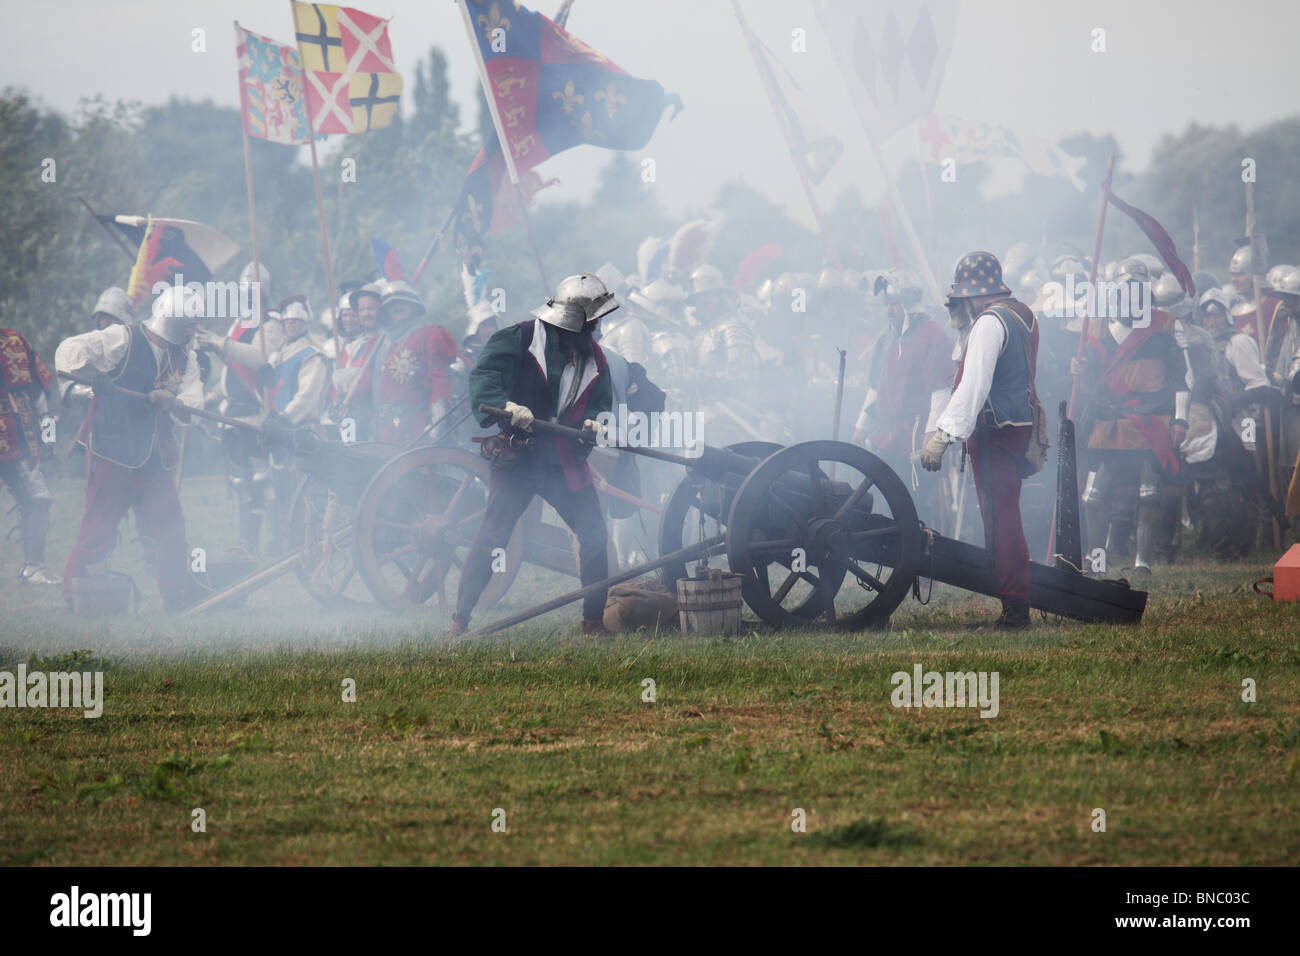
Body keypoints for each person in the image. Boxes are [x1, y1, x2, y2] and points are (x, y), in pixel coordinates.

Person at [450, 273, 617, 637]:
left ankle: (592, 621)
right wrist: (505, 406)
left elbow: (602, 404)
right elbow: (484, 378)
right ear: (578, 320)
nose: (599, 327)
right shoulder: (520, 339)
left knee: (593, 535)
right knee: (494, 535)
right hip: (519, 458)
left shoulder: (596, 358)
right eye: (594, 320)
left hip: (564, 463)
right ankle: (459, 621)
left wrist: (594, 424)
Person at [56, 286, 204, 611]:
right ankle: (74, 594)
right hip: (114, 453)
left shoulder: (186, 356)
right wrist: (91, 379)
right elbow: (70, 350)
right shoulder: (122, 338)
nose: (193, 332)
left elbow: (194, 398)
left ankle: (177, 596)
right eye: (189, 324)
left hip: (154, 459)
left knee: (171, 528)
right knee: (98, 527)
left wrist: (175, 401)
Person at [921, 251, 1038, 629]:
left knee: (1004, 518)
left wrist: (944, 434)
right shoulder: (1023, 314)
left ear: (973, 294)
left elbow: (974, 383)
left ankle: (1016, 609)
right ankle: (1009, 594)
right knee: (999, 514)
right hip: (1013, 426)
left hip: (994, 430)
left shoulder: (989, 323)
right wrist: (962, 329)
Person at [1070, 257, 1190, 575]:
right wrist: (1078, 371)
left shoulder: (1166, 323)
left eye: (1138, 289)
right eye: (1126, 290)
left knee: (1148, 494)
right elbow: (1088, 380)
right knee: (1093, 497)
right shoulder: (1094, 327)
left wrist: (1181, 419)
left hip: (1150, 423)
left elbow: (1181, 378)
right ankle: (1097, 560)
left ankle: (1143, 562)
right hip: (1108, 423)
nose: (1132, 296)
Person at [360, 281, 458, 446]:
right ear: (385, 311)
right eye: (392, 304)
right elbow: (366, 384)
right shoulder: (376, 343)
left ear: (413, 306)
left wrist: (436, 425)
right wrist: (345, 400)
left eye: (402, 302)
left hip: (417, 428)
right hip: (381, 428)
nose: (397, 306)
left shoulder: (429, 335)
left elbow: (440, 382)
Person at [0, 325, 59, 584]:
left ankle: (33, 567)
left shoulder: (16, 341)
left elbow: (40, 393)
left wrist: (48, 437)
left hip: (19, 433)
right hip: (15, 430)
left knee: (38, 499)